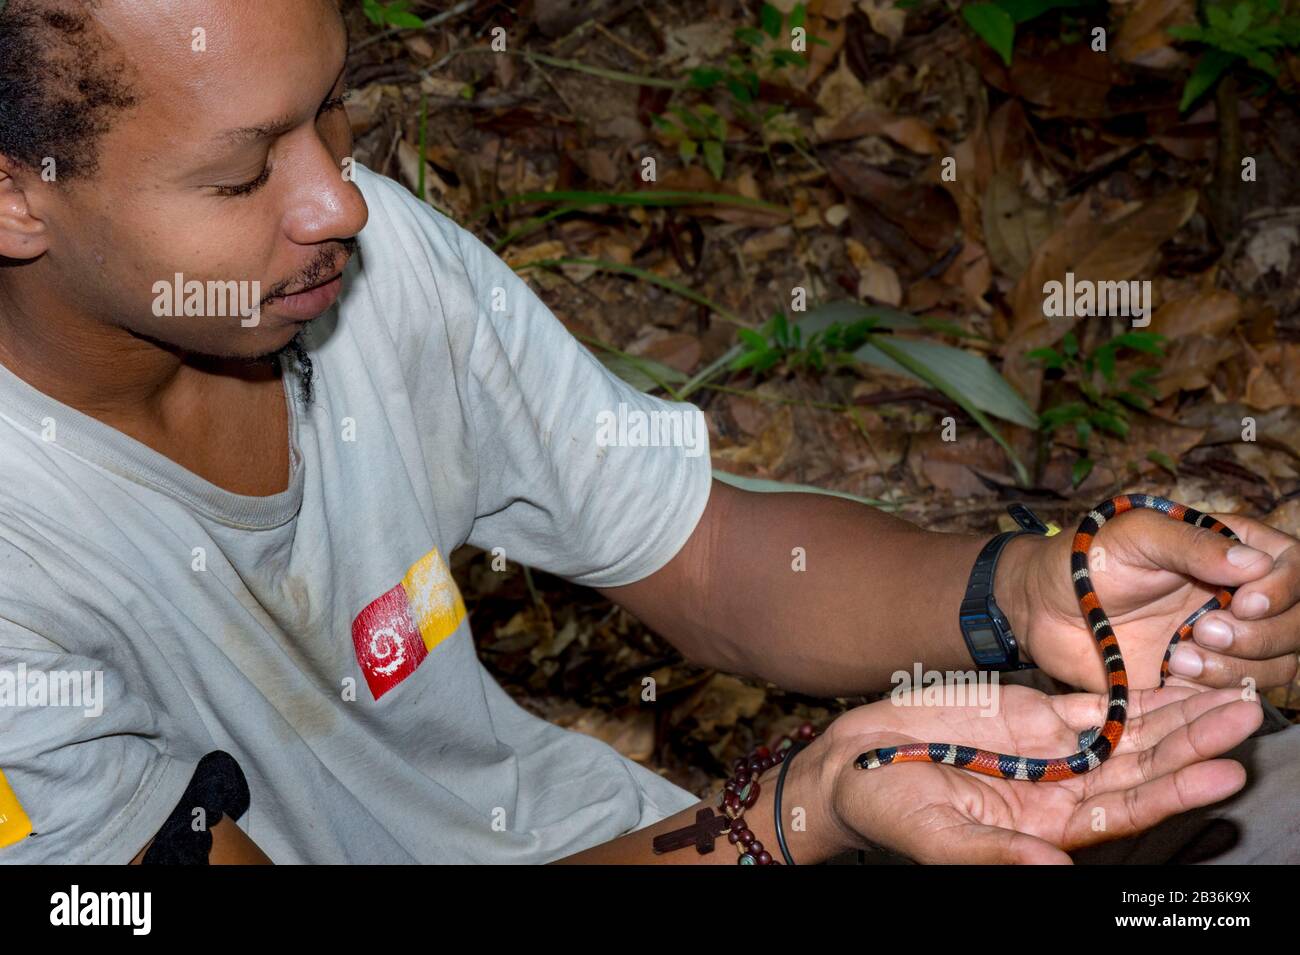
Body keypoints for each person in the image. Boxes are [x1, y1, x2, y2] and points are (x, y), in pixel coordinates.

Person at [0, 0, 1295, 865]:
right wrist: (793, 814)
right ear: (15, 199)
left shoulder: (353, 270)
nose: (340, 199)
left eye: (332, 110)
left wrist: (1026, 593)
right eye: (241, 173)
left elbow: (708, 554)